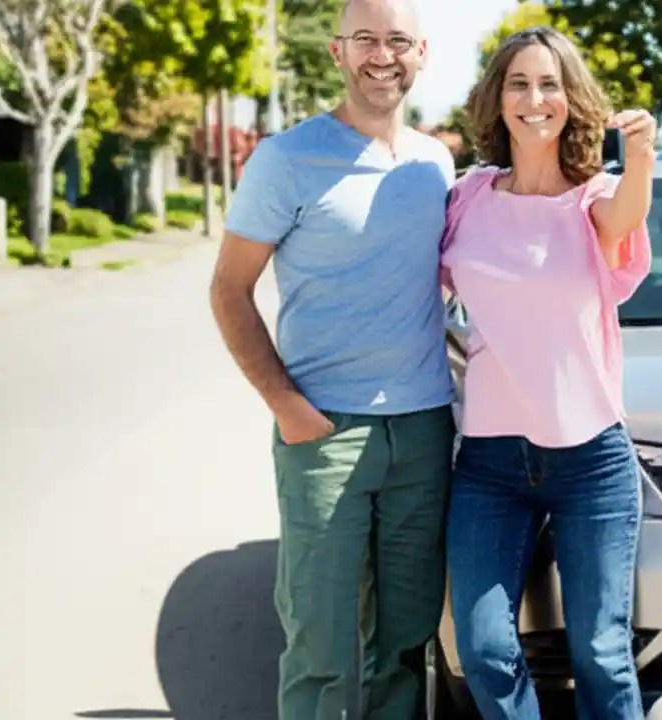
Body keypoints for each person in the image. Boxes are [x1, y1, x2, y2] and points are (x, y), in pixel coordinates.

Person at [207, 0, 456, 717]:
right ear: (337, 54)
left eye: (399, 40)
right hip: (325, 432)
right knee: (319, 649)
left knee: (406, 647)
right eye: (367, 40)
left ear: (422, 53)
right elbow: (228, 289)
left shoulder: (436, 163)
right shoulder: (286, 160)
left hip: (423, 429)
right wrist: (288, 408)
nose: (384, 55)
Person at [438, 26, 656, 720]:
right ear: (497, 99)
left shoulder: (591, 199)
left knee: (600, 651)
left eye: (551, 84)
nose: (535, 98)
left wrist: (643, 153)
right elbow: (421, 284)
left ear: (571, 98)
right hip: (490, 462)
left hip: (591, 459)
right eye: (519, 83)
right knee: (484, 649)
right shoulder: (469, 196)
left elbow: (626, 215)